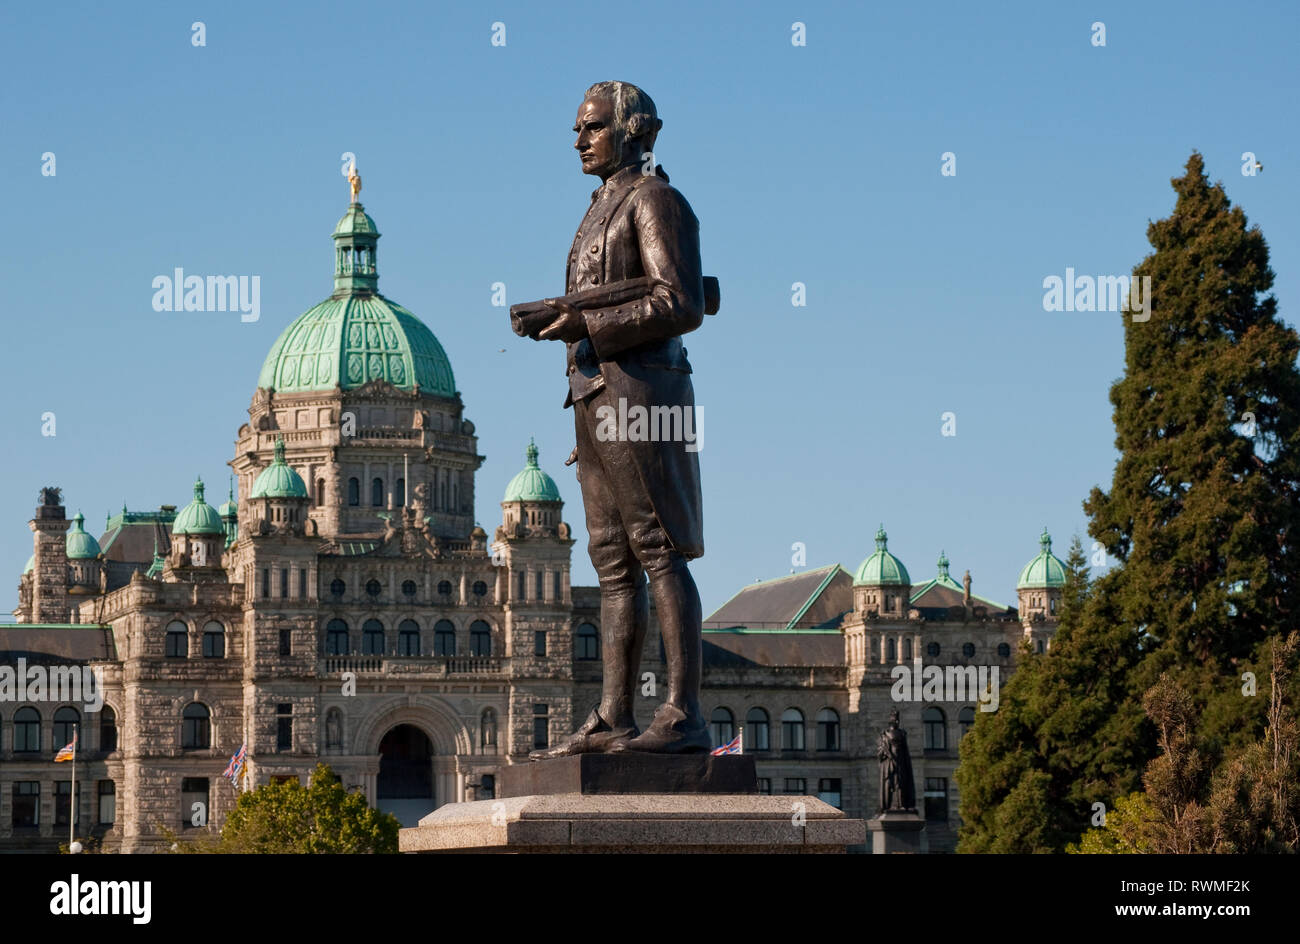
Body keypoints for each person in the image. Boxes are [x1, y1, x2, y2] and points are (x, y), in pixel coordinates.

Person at [528, 81, 710, 757]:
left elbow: (681, 302)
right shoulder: (598, 206)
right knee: (611, 563)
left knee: (656, 546)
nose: (579, 139)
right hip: (593, 395)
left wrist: (584, 320)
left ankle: (683, 713)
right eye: (578, 128)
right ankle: (613, 716)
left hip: (642, 394)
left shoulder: (655, 200)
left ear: (633, 132)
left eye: (593, 127)